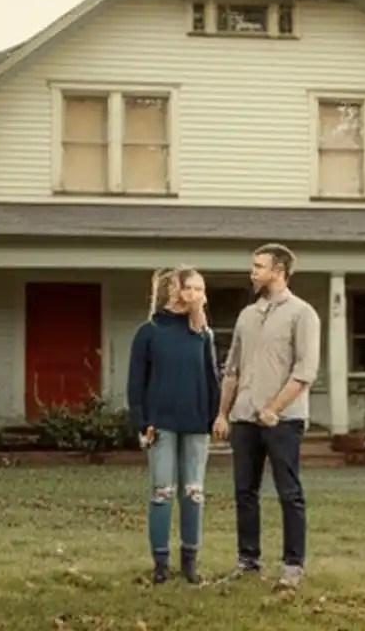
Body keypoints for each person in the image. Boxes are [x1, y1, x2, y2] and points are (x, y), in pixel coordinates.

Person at [212, 243, 321, 590]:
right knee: (245, 492)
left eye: (259, 266)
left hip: (283, 421)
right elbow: (232, 369)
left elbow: (305, 371)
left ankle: (292, 566)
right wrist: (222, 413)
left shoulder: (302, 314)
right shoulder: (247, 315)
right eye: (253, 266)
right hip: (244, 418)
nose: (253, 272)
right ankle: (248, 561)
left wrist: (274, 408)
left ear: (279, 270)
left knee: (289, 492)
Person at [126, 265, 221, 585]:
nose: (195, 294)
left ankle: (190, 561)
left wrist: (216, 418)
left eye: (200, 289)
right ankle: (161, 563)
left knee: (193, 493)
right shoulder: (149, 332)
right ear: (173, 290)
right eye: (189, 287)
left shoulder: (203, 335)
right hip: (161, 425)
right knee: (162, 492)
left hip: (196, 425)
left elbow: (211, 380)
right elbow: (136, 383)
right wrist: (142, 422)